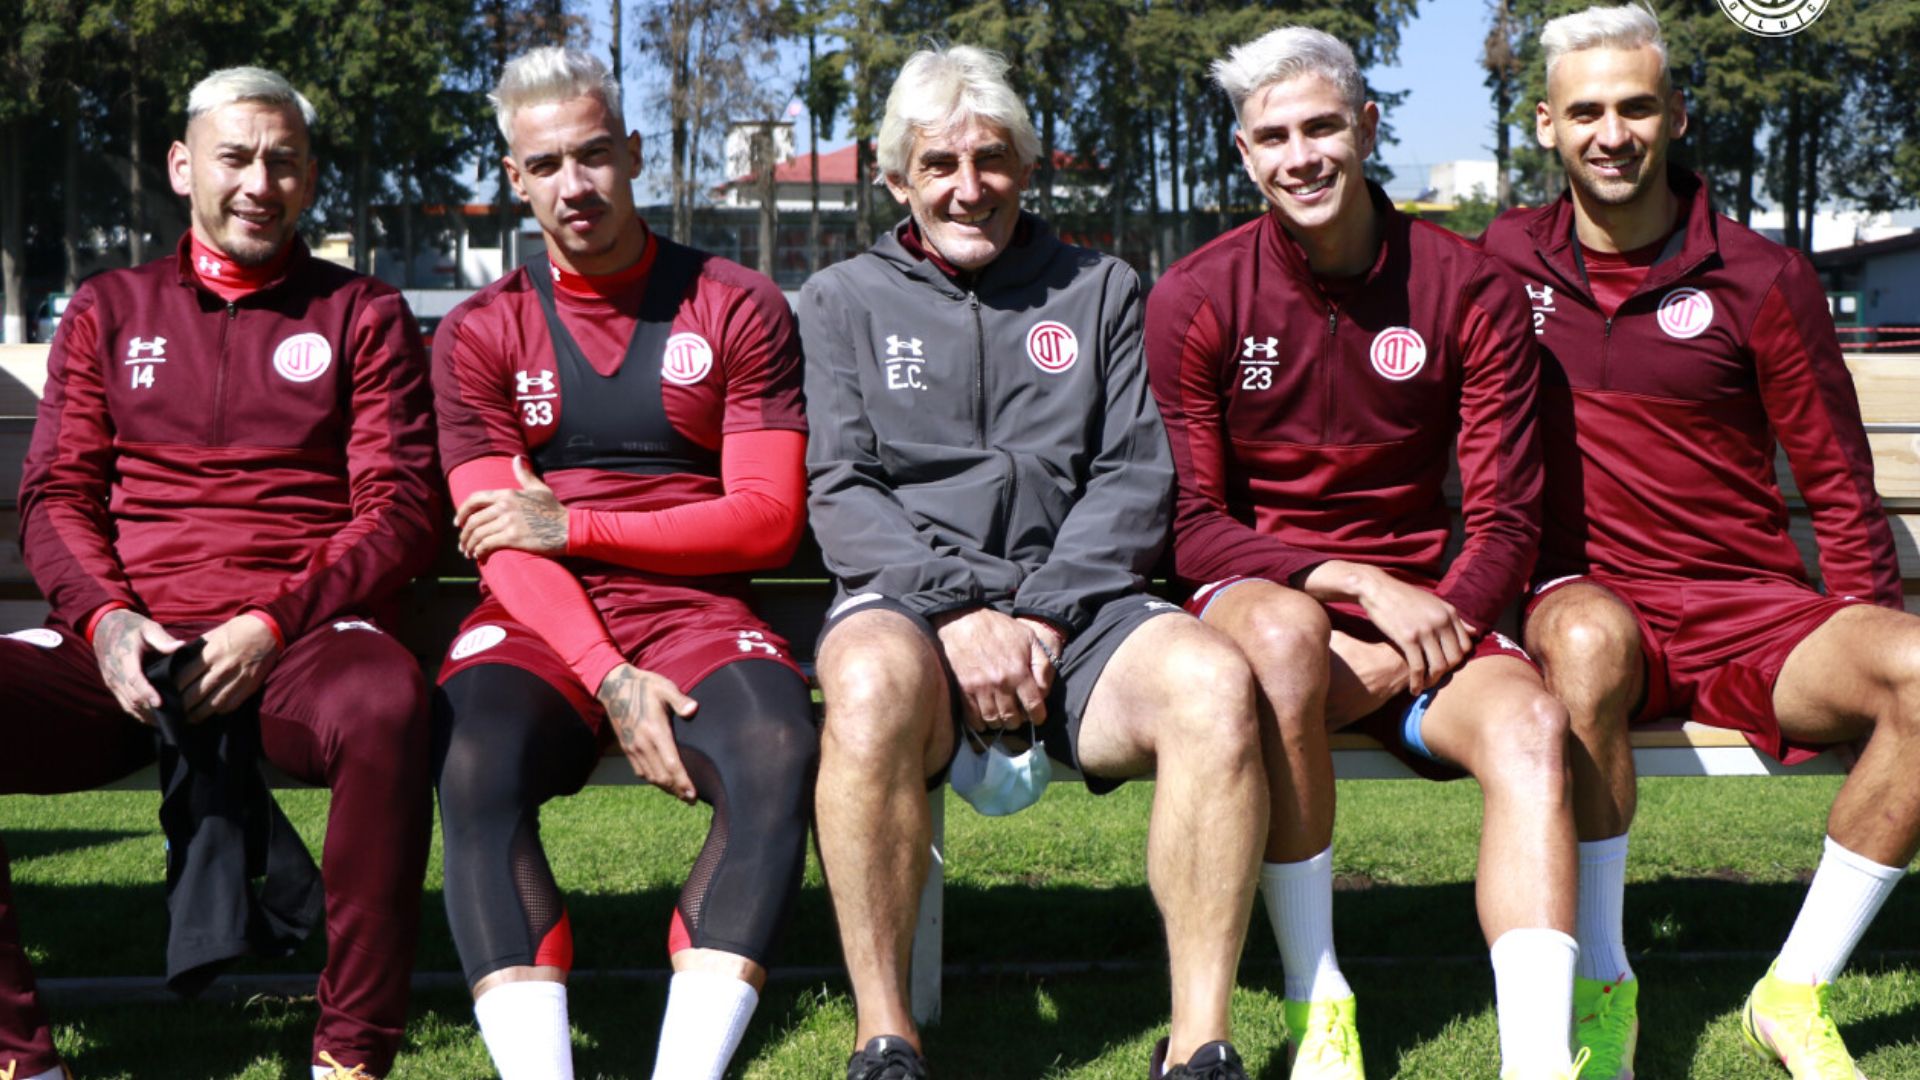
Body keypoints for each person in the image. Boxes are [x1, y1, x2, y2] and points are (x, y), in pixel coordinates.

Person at [801, 44, 1267, 1080]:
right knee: (869, 685)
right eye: (939, 165)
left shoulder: (1099, 287)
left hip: (1079, 615)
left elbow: (1135, 474)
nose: (970, 188)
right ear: (895, 181)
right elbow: (841, 489)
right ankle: (886, 1041)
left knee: (1212, 682)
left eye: (994, 158)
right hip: (911, 612)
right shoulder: (839, 300)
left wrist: (1044, 616)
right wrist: (961, 612)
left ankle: (1200, 1043)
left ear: (1028, 166)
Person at [1481, 6, 1919, 1078]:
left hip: (1747, 612)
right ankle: (1602, 984)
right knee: (1584, 642)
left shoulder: (1764, 277)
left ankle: (1794, 989)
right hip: (1587, 600)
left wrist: (1872, 628)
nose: (1612, 132)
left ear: (1676, 115)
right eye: (1585, 111)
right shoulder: (1494, 264)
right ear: (1546, 125)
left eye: (1635, 106)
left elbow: (1833, 473)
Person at [1146, 26, 1586, 1080]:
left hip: (1431, 624)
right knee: (1292, 637)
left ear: (1367, 127)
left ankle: (1538, 1061)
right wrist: (1348, 580)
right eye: (1274, 137)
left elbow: (1509, 518)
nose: (1301, 156)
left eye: (1322, 127)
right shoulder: (1196, 296)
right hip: (1278, 604)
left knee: (1533, 724)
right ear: (1245, 155)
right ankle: (1319, 998)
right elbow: (1189, 522)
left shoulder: (1469, 289)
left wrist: (1418, 640)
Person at [0, 67, 440, 1080]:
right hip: (129, 648)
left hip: (298, 643)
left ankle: (352, 1053)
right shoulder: (109, 309)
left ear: (312, 178)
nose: (258, 182)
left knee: (383, 703)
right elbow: (56, 497)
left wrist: (272, 624)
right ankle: (25, 1060)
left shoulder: (362, 314)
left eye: (283, 162)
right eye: (235, 157)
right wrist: (109, 623)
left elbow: (400, 510)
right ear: (182, 165)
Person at [428, 46, 818, 1080]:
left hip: (695, 612)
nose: (576, 185)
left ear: (635, 153)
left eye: (595, 154)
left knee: (778, 747)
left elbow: (768, 522)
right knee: (475, 762)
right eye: (547, 164)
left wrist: (581, 527)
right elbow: (506, 546)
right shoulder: (478, 331)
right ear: (515, 178)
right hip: (540, 623)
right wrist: (608, 674)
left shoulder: (735, 304)